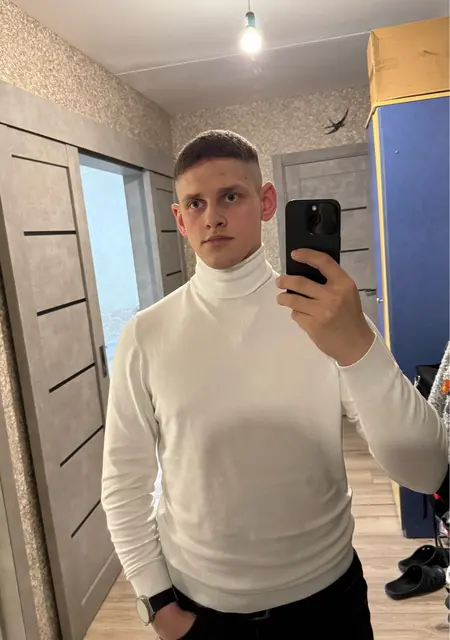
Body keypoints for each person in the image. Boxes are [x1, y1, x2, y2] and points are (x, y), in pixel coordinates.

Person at [101, 130, 448, 639]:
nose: (212, 217)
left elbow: (425, 469)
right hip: (201, 610)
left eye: (231, 196)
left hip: (328, 604)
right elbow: (123, 482)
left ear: (266, 203)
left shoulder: (327, 316)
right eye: (195, 203)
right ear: (179, 218)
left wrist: (357, 347)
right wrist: (156, 605)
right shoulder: (146, 335)